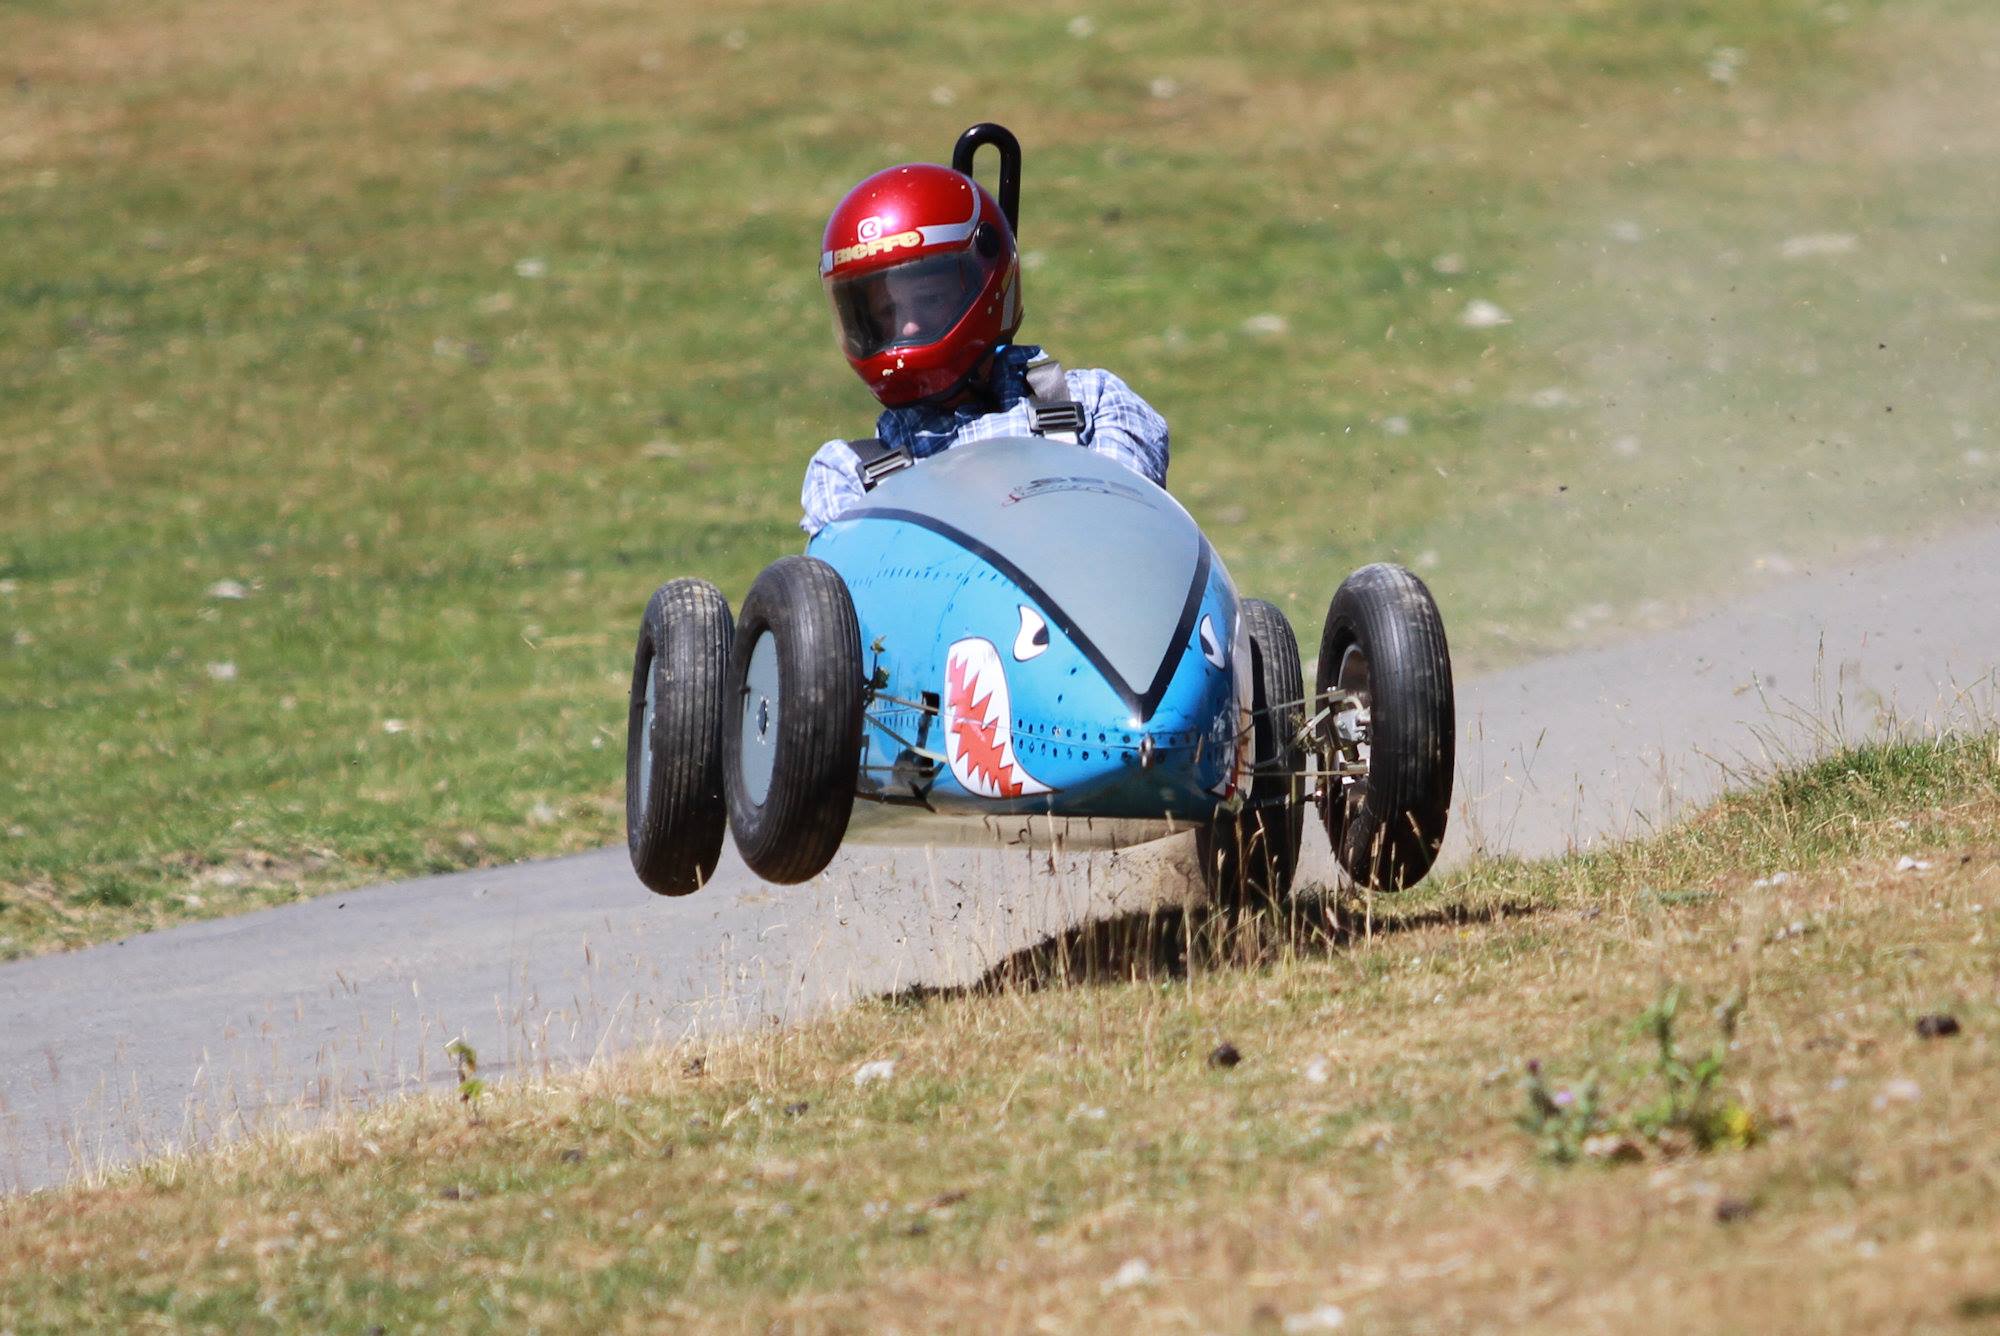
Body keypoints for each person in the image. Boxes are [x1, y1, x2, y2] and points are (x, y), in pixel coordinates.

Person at [800, 161, 1170, 535]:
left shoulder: (1095, 404)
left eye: (929, 300)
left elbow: (1126, 535)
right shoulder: (846, 474)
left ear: (985, 285)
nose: (908, 325)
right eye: (888, 312)